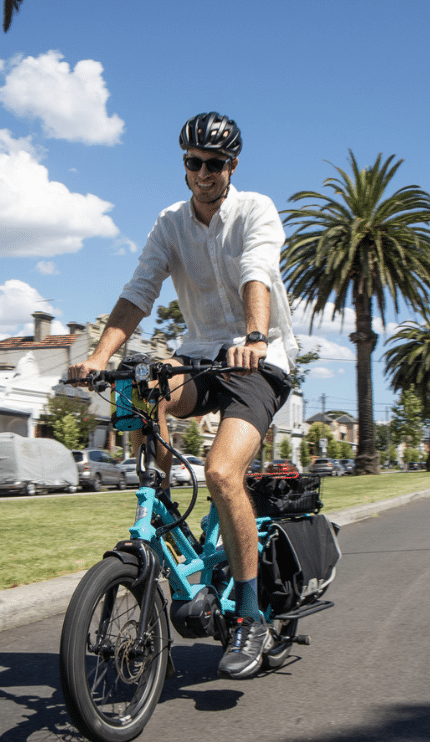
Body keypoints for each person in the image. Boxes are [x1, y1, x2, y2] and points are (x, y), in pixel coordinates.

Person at [68, 112, 298, 680]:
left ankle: (249, 616)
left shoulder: (256, 210)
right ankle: (164, 508)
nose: (202, 173)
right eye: (193, 163)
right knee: (144, 385)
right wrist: (99, 356)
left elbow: (256, 271)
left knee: (223, 474)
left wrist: (252, 336)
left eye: (213, 165)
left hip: (256, 360)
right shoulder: (169, 223)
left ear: (232, 167)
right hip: (199, 356)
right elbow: (140, 289)